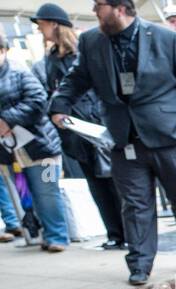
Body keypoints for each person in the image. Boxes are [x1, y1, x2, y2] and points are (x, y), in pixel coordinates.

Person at [50, 0, 176, 284]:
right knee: (135, 205)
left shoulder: (165, 38)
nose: (95, 11)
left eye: (99, 5)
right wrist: (59, 105)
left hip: (171, 135)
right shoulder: (91, 41)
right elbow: (77, 79)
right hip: (123, 138)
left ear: (120, 9)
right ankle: (139, 264)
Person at [30, 3, 125, 251]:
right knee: (96, 185)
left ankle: (128, 233)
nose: (40, 30)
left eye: (42, 25)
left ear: (53, 24)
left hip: (95, 127)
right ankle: (114, 233)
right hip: (73, 133)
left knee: (113, 182)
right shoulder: (50, 60)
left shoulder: (82, 52)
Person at [0, 34, 70, 252]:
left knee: (48, 191)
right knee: (25, 194)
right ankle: (40, 234)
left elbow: (38, 101)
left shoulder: (20, 73)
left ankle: (58, 236)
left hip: (43, 149)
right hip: (11, 154)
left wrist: (7, 120)